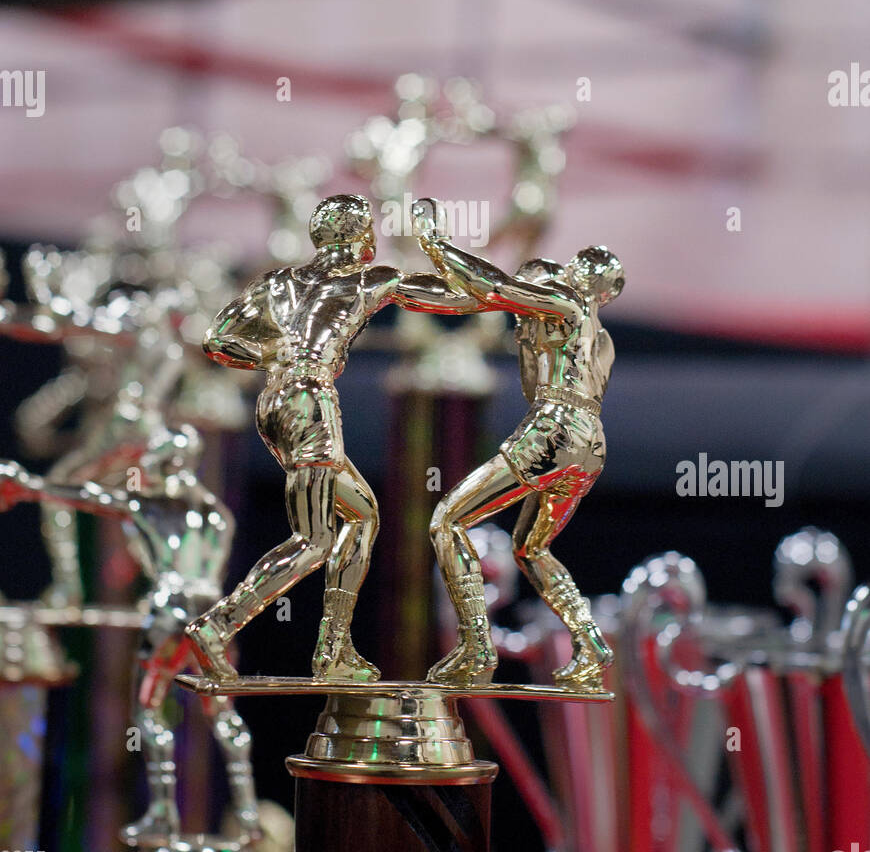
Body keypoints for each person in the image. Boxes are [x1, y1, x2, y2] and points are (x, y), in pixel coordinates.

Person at [186, 193, 482, 684]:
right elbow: (466, 298)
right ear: (363, 237)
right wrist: (435, 243)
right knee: (313, 539)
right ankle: (219, 624)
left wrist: (279, 357)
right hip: (310, 404)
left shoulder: (279, 282)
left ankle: (333, 649)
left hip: (274, 404)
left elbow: (218, 340)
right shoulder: (372, 278)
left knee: (362, 516)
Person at [0, 424, 259, 844]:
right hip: (215, 612)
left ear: (169, 460)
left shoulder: (153, 503)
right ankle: (248, 814)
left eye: (154, 456)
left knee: (150, 709)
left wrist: (28, 486)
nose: (146, 464)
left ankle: (162, 813)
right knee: (223, 712)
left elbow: (89, 498)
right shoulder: (217, 513)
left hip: (170, 609)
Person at [412, 196, 623, 692]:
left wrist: (435, 245)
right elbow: (497, 302)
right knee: (531, 548)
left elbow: (494, 288)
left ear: (583, 279)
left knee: (448, 520)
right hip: (590, 445)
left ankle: (475, 647)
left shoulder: (567, 306)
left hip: (554, 430)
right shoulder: (601, 337)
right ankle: (590, 644)